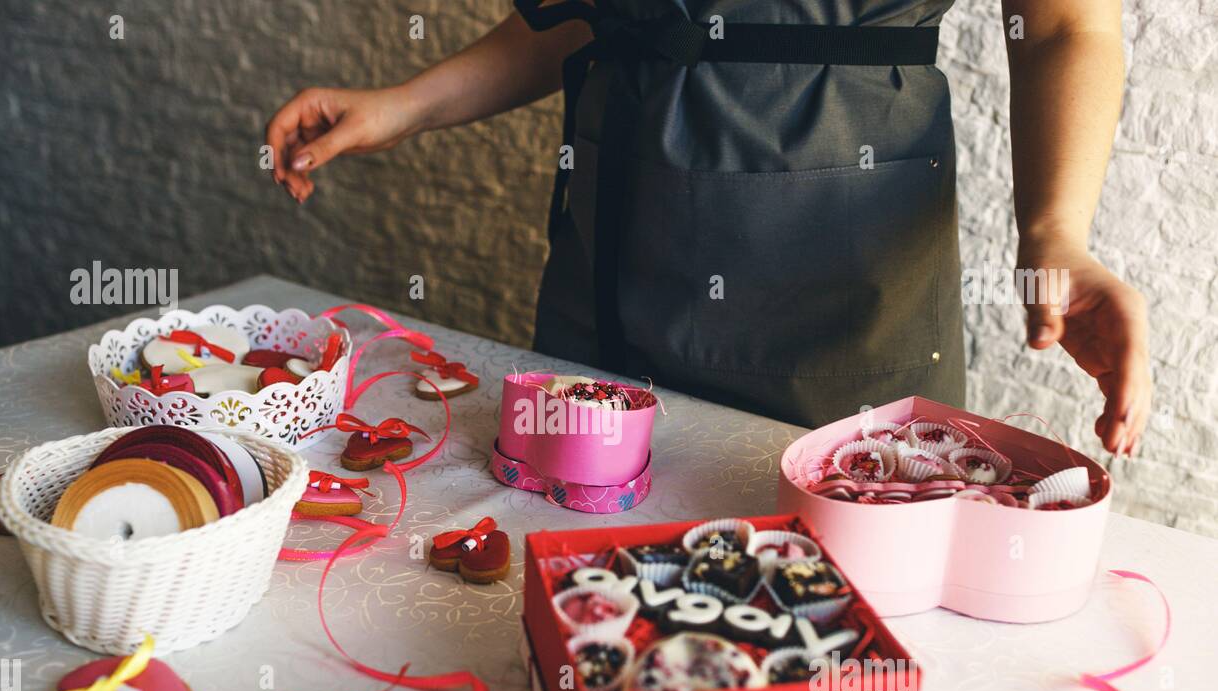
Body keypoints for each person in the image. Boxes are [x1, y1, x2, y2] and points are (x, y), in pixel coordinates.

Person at [266, 0, 1149, 455]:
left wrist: (1055, 232)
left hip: (849, 304)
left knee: (829, 618)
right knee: (588, 594)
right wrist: (407, 107)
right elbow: (610, 18)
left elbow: (1064, 24)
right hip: (612, 281)